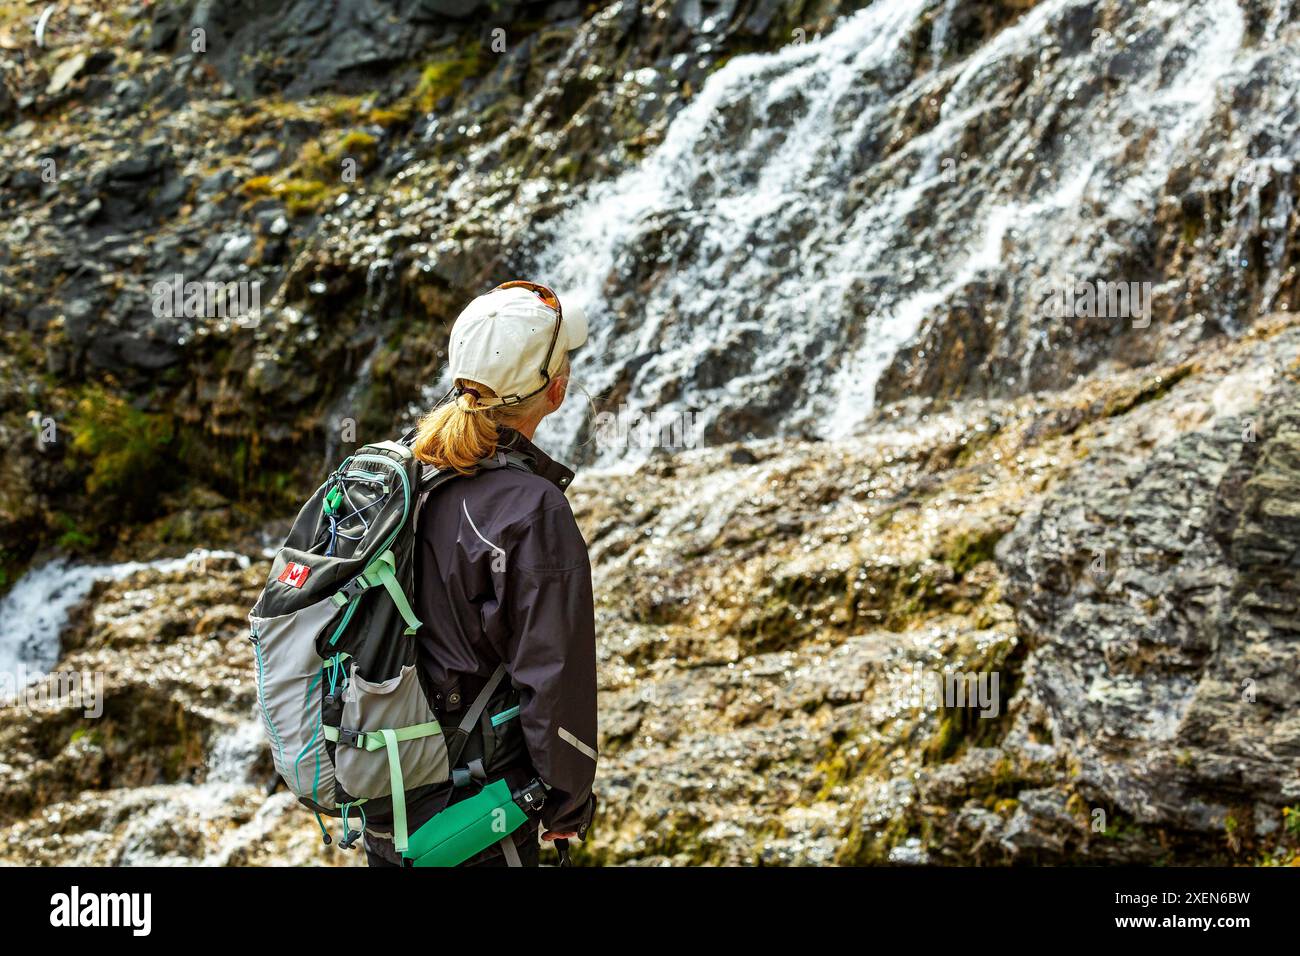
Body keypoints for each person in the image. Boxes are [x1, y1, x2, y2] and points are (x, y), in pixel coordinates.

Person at [362, 281, 598, 867]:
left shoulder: (398, 478)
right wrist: (566, 806)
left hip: (387, 792)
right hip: (478, 812)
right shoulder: (531, 508)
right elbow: (554, 675)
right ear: (557, 392)